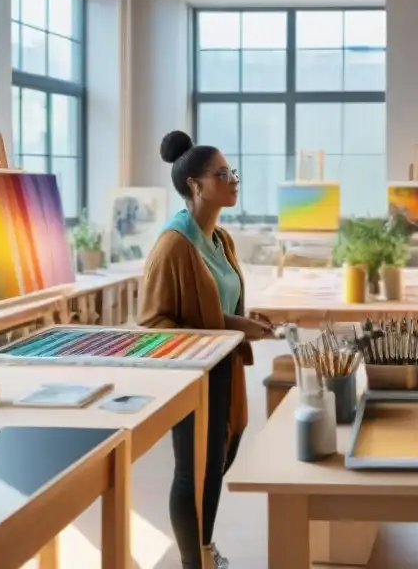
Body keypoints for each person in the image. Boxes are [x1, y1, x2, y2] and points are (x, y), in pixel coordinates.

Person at [141, 130, 272, 569]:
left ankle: (205, 549)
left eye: (232, 172)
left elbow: (223, 303)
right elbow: (153, 325)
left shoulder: (221, 239)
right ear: (195, 185)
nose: (233, 179)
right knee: (193, 470)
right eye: (222, 174)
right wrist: (232, 328)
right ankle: (194, 559)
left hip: (225, 367)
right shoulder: (173, 245)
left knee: (219, 458)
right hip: (193, 374)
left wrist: (243, 323)